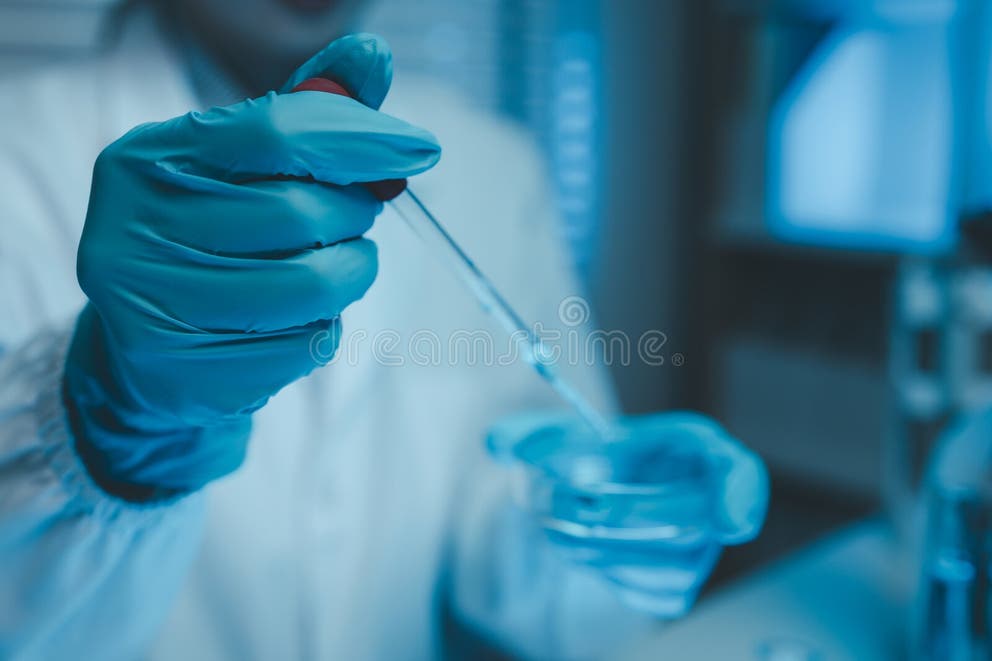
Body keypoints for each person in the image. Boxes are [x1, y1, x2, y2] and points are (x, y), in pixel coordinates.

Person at [0, 1, 769, 659]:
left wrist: (604, 516)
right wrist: (110, 420)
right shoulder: (19, 150)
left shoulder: (491, 165)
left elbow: (511, 541)